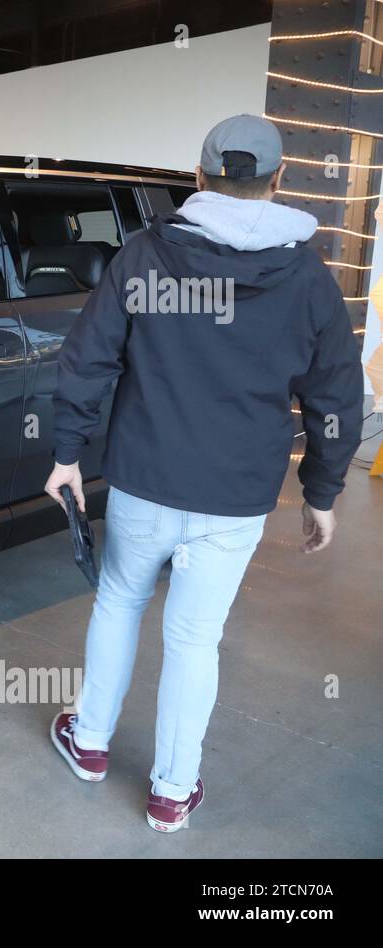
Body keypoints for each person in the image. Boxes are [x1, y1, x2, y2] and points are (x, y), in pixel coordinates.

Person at [44, 114, 363, 833]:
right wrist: (321, 492)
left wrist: (67, 453)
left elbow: (88, 357)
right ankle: (171, 793)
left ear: (198, 177)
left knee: (120, 602)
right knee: (196, 638)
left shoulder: (145, 256)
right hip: (237, 495)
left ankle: (89, 744)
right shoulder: (309, 276)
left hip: (144, 480)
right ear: (278, 182)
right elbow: (337, 396)